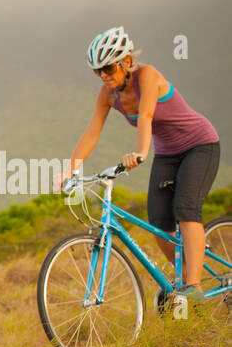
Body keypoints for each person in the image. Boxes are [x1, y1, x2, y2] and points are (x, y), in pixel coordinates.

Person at [58, 26, 220, 300]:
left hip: (200, 145)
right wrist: (69, 170)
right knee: (159, 222)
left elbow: (146, 115)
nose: (104, 76)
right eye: (98, 71)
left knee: (185, 208)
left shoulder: (147, 75)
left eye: (109, 68)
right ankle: (181, 282)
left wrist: (140, 152)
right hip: (168, 153)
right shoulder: (108, 94)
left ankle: (194, 286)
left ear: (127, 62)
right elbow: (92, 132)